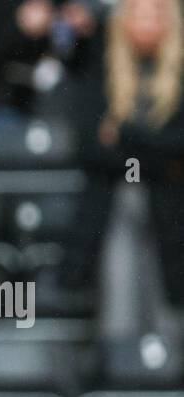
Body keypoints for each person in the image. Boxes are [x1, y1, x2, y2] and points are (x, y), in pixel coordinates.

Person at [63, 0, 184, 345]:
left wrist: (126, 135)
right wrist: (161, 156)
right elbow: (89, 145)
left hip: (173, 214)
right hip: (113, 205)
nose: (147, 23)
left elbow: (179, 145)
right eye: (139, 14)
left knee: (170, 315)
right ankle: (118, 378)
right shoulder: (100, 64)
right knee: (119, 306)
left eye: (155, 14)